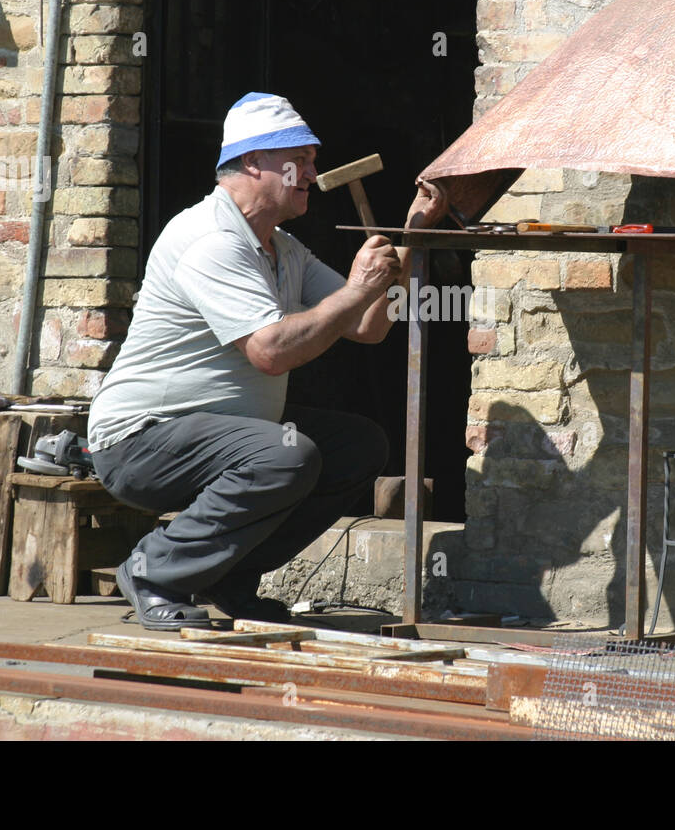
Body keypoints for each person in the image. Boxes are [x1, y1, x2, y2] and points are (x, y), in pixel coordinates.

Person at [87, 92, 447, 630]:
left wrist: (411, 242)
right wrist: (358, 288)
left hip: (225, 436)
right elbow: (271, 353)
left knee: (357, 445)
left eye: (312, 161)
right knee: (285, 455)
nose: (311, 173)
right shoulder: (210, 240)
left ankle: (227, 575)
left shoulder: (284, 248)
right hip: (141, 440)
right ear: (254, 162)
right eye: (298, 161)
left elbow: (367, 326)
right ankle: (154, 572)